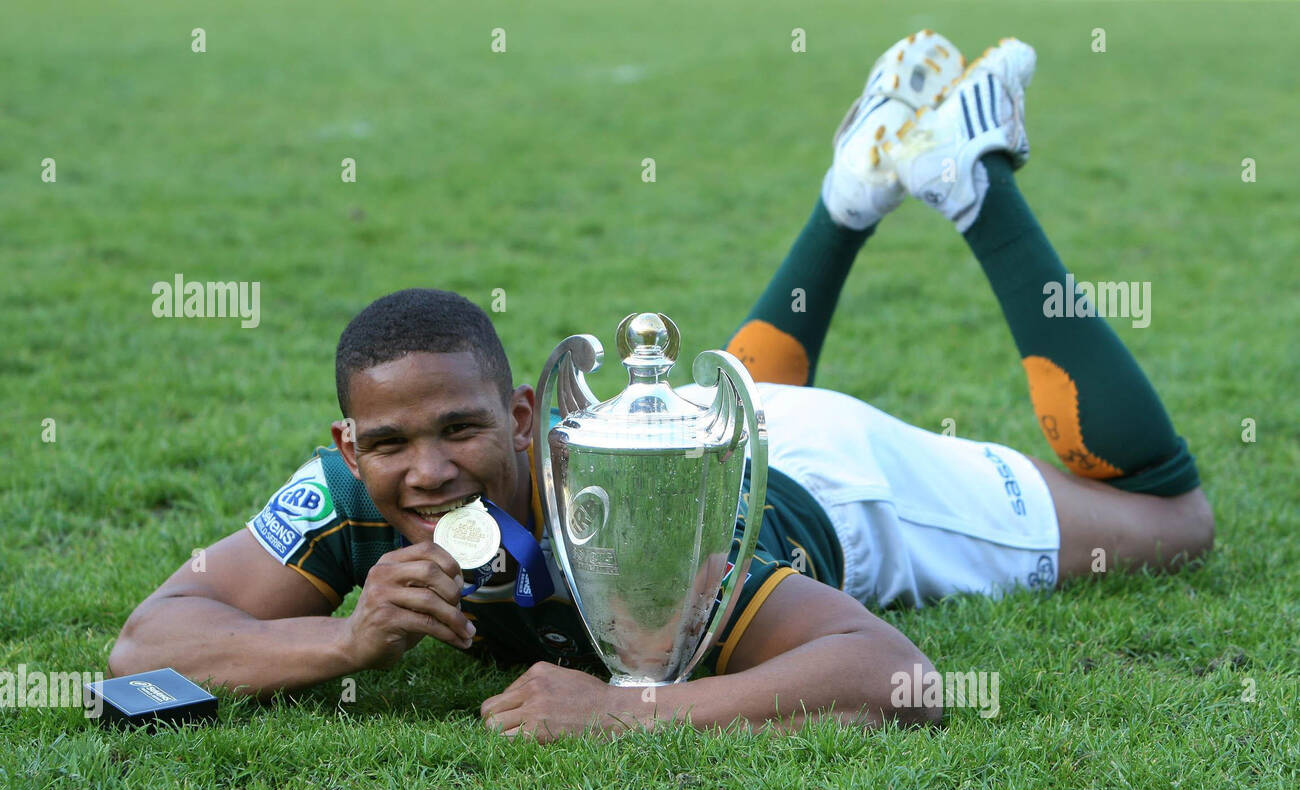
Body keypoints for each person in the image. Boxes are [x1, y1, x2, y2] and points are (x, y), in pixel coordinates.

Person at [110, 33, 1213, 741]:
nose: (430, 470)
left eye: (460, 428)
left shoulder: (634, 534)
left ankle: (971, 186)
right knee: (746, 405)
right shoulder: (363, 491)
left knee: (1169, 512)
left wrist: (632, 709)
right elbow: (147, 644)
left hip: (839, 479)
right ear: (348, 448)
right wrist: (342, 642)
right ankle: (850, 188)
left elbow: (894, 673)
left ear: (529, 420)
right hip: (714, 419)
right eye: (391, 443)